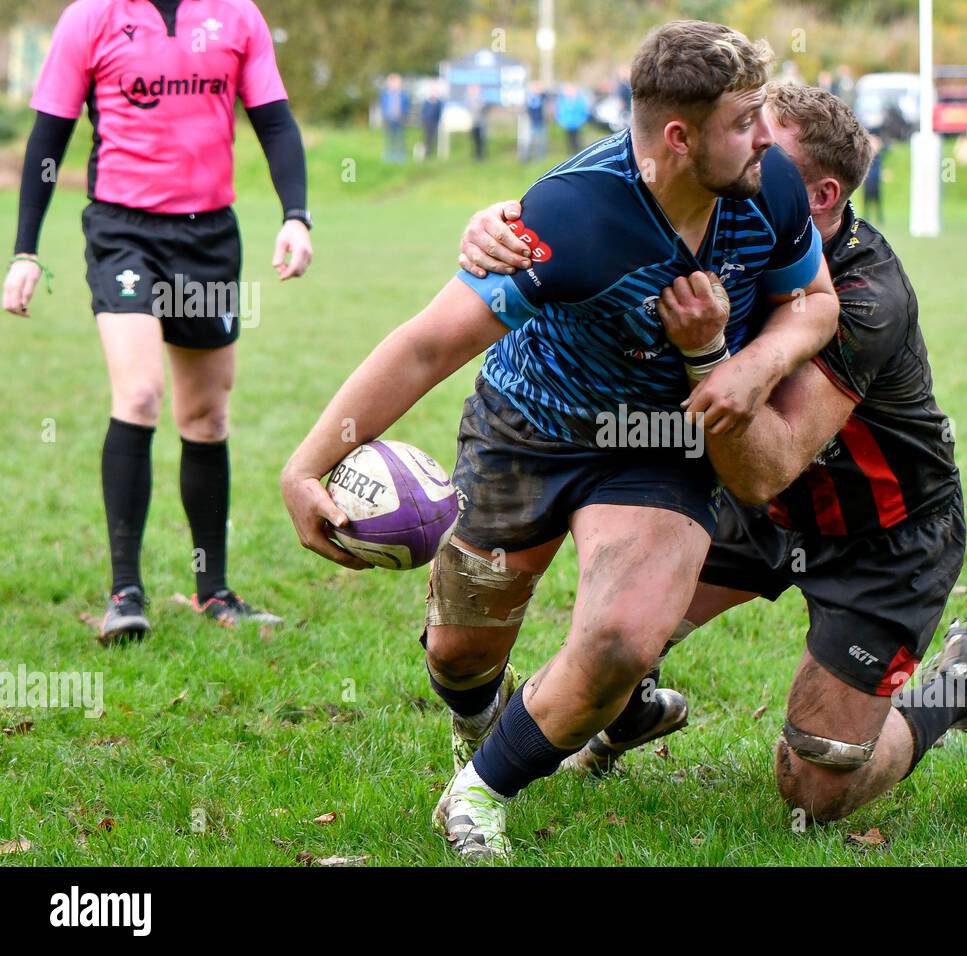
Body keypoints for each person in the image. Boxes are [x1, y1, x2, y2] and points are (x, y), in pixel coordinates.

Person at [280, 20, 838, 860]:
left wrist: (748, 366)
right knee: (461, 653)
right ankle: (496, 721)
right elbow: (429, 344)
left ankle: (480, 792)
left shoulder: (771, 185)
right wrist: (305, 465)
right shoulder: (572, 216)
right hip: (527, 430)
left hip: (658, 446)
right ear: (680, 139)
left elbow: (815, 304)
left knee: (621, 641)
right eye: (744, 119)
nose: (765, 135)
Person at [463, 84, 967, 825]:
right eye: (737, 134)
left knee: (815, 790)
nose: (739, 154)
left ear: (821, 194)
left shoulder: (865, 299)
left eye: (762, 145)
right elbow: (594, 205)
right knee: (621, 630)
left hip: (880, 535)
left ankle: (952, 696)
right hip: (758, 510)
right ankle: (630, 707)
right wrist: (501, 226)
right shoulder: (723, 236)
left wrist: (706, 349)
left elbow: (765, 462)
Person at [3, 0, 312, 643]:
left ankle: (214, 592)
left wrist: (295, 215)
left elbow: (275, 125)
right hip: (123, 232)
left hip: (208, 238)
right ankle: (126, 592)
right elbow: (48, 138)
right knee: (139, 394)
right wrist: (25, 251)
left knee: (205, 416)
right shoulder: (89, 17)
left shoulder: (238, 17)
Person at [380, 73, 409, 163]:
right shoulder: (385, 95)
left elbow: (406, 106)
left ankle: (400, 156)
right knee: (389, 138)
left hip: (400, 119)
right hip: (389, 119)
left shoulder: (403, 95)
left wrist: (403, 116)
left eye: (396, 83)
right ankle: (389, 156)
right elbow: (383, 106)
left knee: (400, 138)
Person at [554, 84, 590, 154]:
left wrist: (581, 121)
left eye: (571, 91)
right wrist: (561, 122)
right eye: (567, 91)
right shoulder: (562, 101)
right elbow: (558, 112)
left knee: (578, 140)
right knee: (569, 141)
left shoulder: (579, 100)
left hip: (577, 124)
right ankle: (571, 155)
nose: (569, 92)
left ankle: (579, 154)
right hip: (567, 124)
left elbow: (584, 112)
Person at [521, 82, 549, 162]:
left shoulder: (543, 97)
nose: (536, 90)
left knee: (541, 141)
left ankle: (539, 158)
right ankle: (525, 159)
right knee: (526, 141)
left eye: (538, 88)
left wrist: (542, 91)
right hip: (529, 123)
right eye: (535, 88)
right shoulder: (527, 97)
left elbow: (548, 94)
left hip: (541, 122)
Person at [420, 82, 444, 161]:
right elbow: (423, 112)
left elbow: (440, 112)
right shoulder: (427, 102)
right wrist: (423, 120)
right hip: (427, 122)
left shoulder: (439, 102)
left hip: (435, 122)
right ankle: (426, 152)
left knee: (434, 138)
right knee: (427, 138)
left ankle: (431, 151)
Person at [466, 84, 488, 162]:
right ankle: (476, 154)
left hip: (480, 123)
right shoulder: (469, 99)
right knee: (474, 140)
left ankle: (481, 156)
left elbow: (480, 109)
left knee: (481, 140)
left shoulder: (481, 99)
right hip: (473, 123)